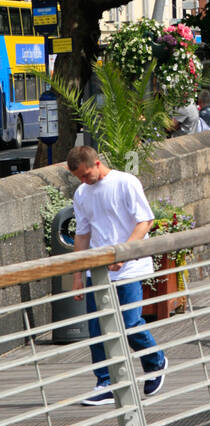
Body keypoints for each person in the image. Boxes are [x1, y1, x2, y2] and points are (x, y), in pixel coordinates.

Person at [68, 146, 167, 406]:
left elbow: (145, 220)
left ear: (97, 163)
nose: (83, 181)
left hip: (130, 267)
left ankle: (155, 361)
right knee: (98, 329)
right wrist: (78, 275)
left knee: (129, 323)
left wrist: (123, 253)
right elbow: (82, 234)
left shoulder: (125, 182)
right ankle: (105, 381)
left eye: (86, 175)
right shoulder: (81, 193)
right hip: (97, 270)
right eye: (78, 177)